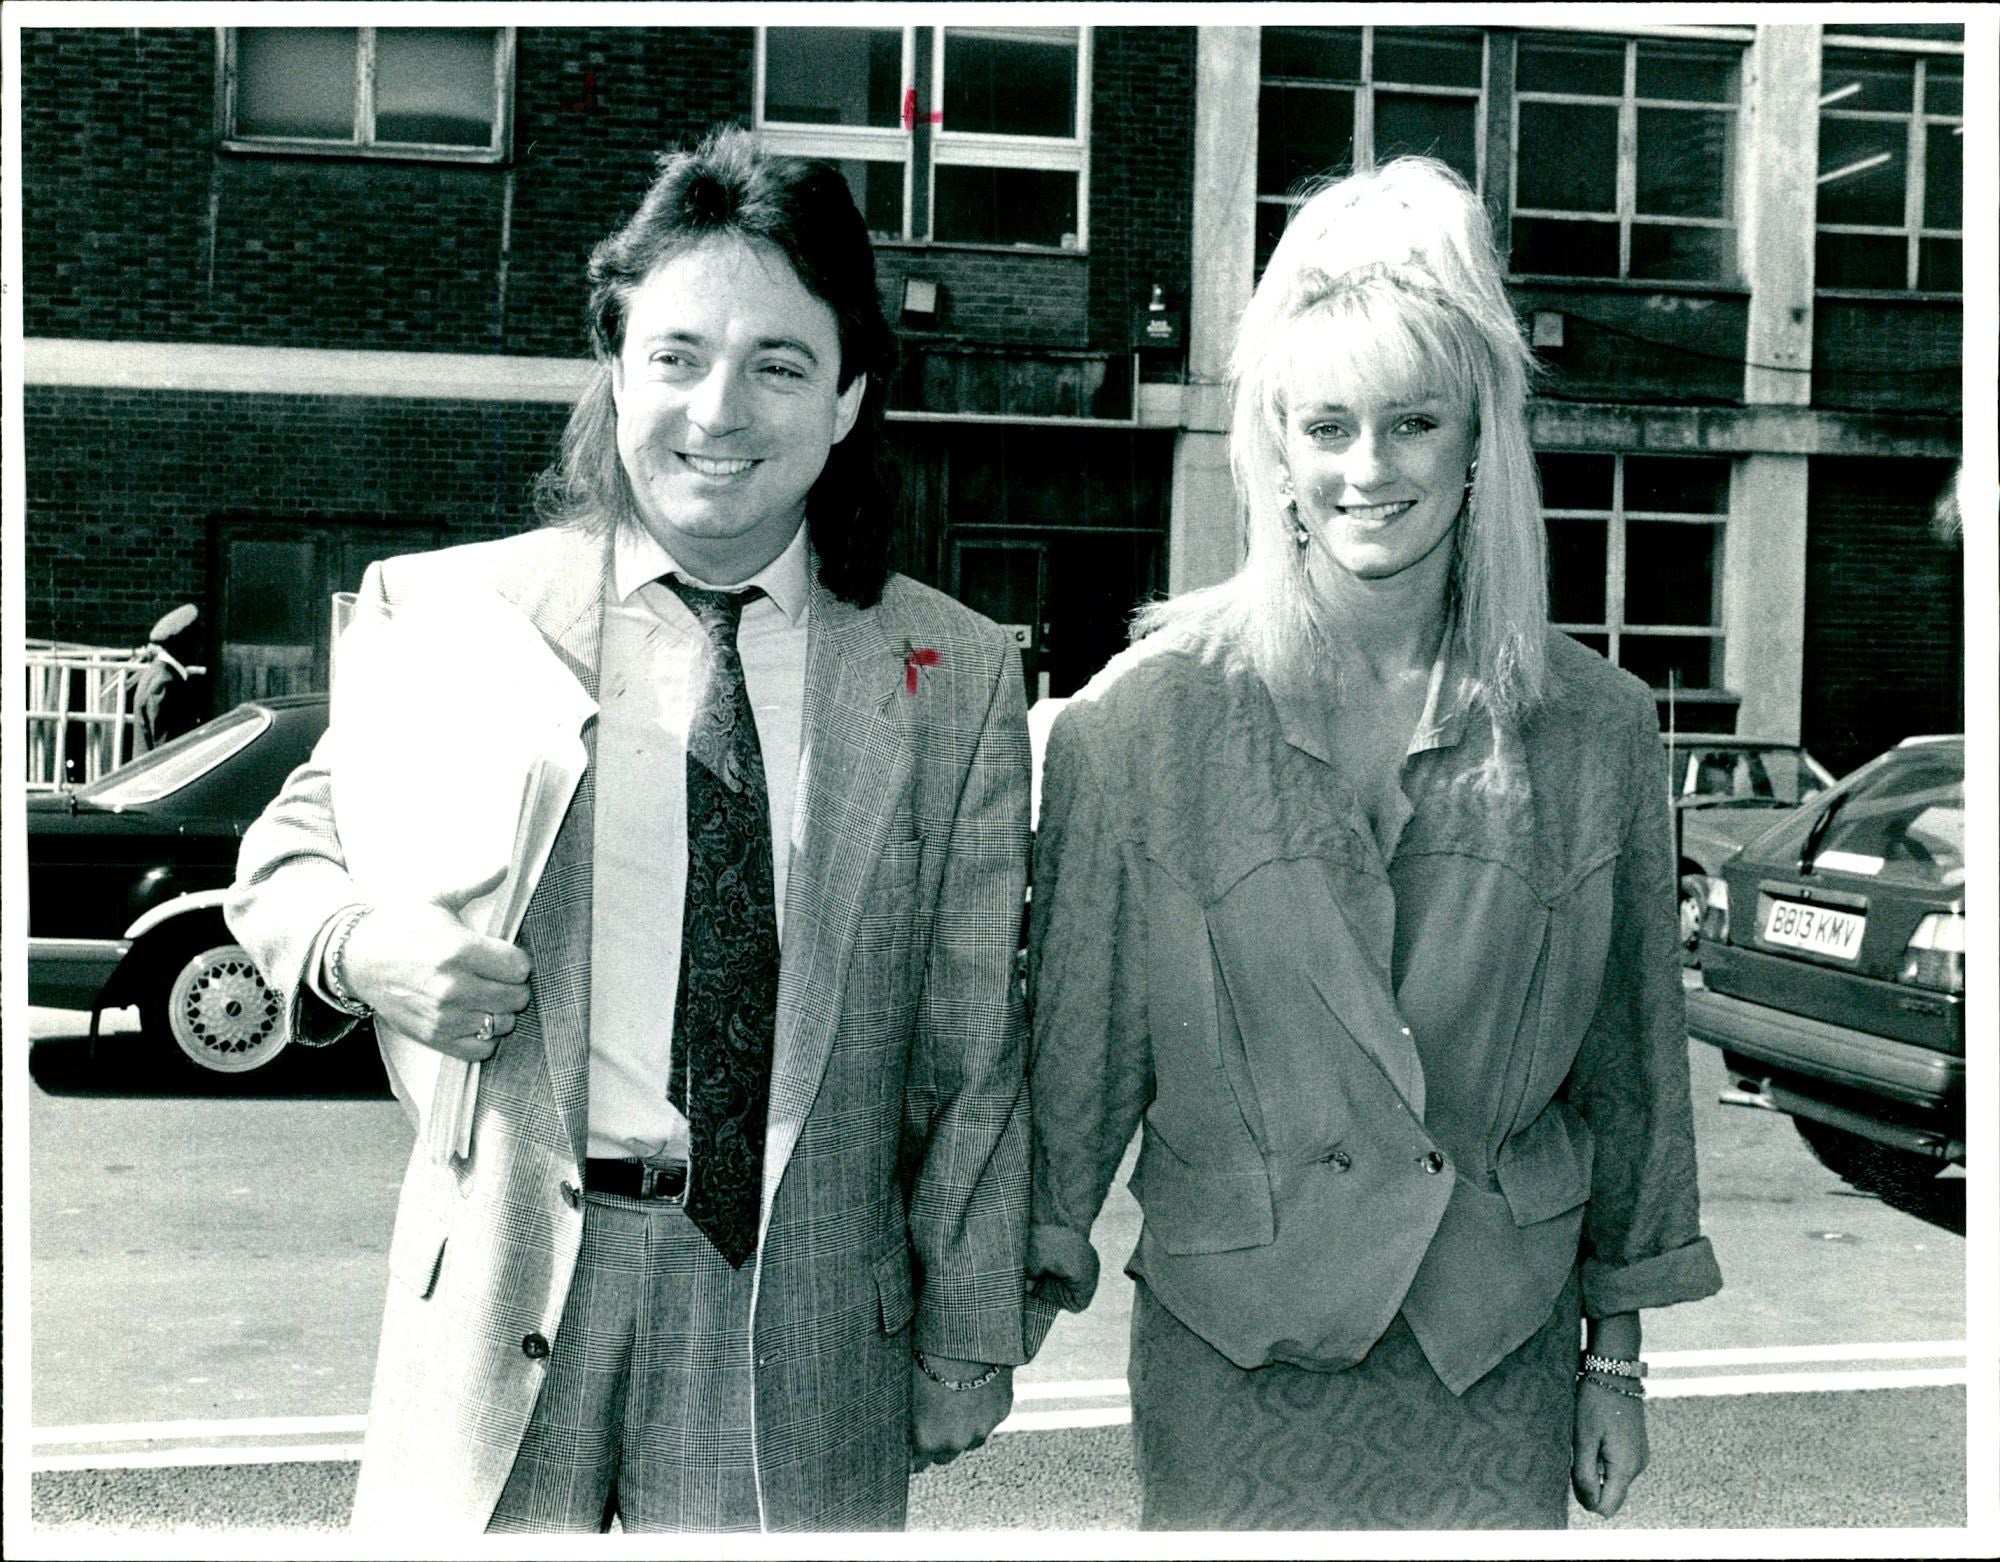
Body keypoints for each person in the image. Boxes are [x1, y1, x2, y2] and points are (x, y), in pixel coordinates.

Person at [227, 127, 1032, 1534]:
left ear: (847, 398)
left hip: (798, 1316)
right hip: (499, 1292)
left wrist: (968, 1330)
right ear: (616, 363)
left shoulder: (947, 674)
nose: (718, 408)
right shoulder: (460, 617)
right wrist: (366, 948)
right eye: (677, 354)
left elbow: (972, 1055)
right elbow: (285, 865)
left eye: (779, 363)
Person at [1023, 158, 1722, 1531]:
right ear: (1273, 444)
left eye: (1414, 422)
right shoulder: (1140, 723)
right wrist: (983, 1325)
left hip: (1493, 1353)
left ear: (1478, 446)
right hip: (1237, 1350)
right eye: (1327, 423)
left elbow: (1635, 1073)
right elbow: (1075, 1065)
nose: (1368, 468)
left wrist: (1617, 1356)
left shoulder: (1598, 727)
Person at [131, 603, 207, 753]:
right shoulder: (165, 684)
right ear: (182, 644)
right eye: (196, 641)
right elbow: (167, 752)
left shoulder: (156, 674)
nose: (200, 648)